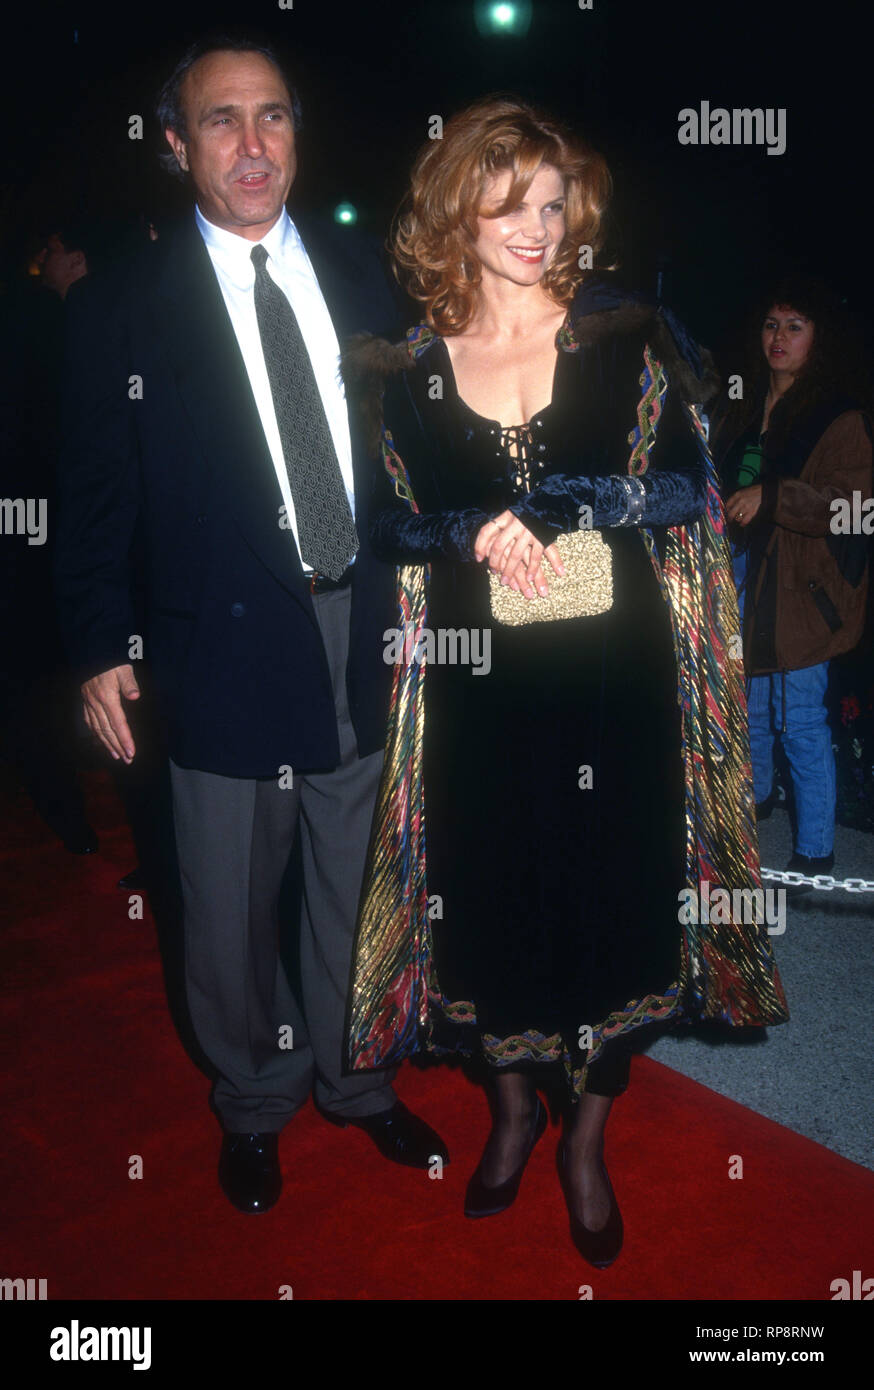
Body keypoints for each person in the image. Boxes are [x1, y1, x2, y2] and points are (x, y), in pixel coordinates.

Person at [343, 97, 788, 1266]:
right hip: (478, 697)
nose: (536, 228)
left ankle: (585, 1139)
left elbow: (695, 489)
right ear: (453, 211)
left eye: (553, 204)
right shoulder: (404, 368)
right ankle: (511, 1109)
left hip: (618, 685)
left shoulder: (628, 337)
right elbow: (379, 527)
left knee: (611, 907)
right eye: (507, 204)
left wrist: (582, 501)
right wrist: (461, 528)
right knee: (487, 910)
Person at [55, 35, 447, 1214]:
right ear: (176, 147)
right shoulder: (120, 308)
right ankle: (257, 1098)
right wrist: (96, 648)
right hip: (217, 648)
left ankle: (358, 1077)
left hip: (368, 627)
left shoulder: (366, 278)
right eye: (220, 121)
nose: (252, 144)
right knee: (225, 905)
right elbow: (91, 503)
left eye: (271, 115)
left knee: (357, 878)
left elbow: (416, 458)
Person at [713, 279, 873, 889]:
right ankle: (754, 808)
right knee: (748, 707)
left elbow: (855, 507)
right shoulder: (743, 402)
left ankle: (815, 854)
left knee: (801, 719)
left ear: (818, 339)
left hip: (805, 591)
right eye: (772, 324)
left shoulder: (840, 415)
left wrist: (775, 496)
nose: (778, 338)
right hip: (747, 575)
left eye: (795, 326)